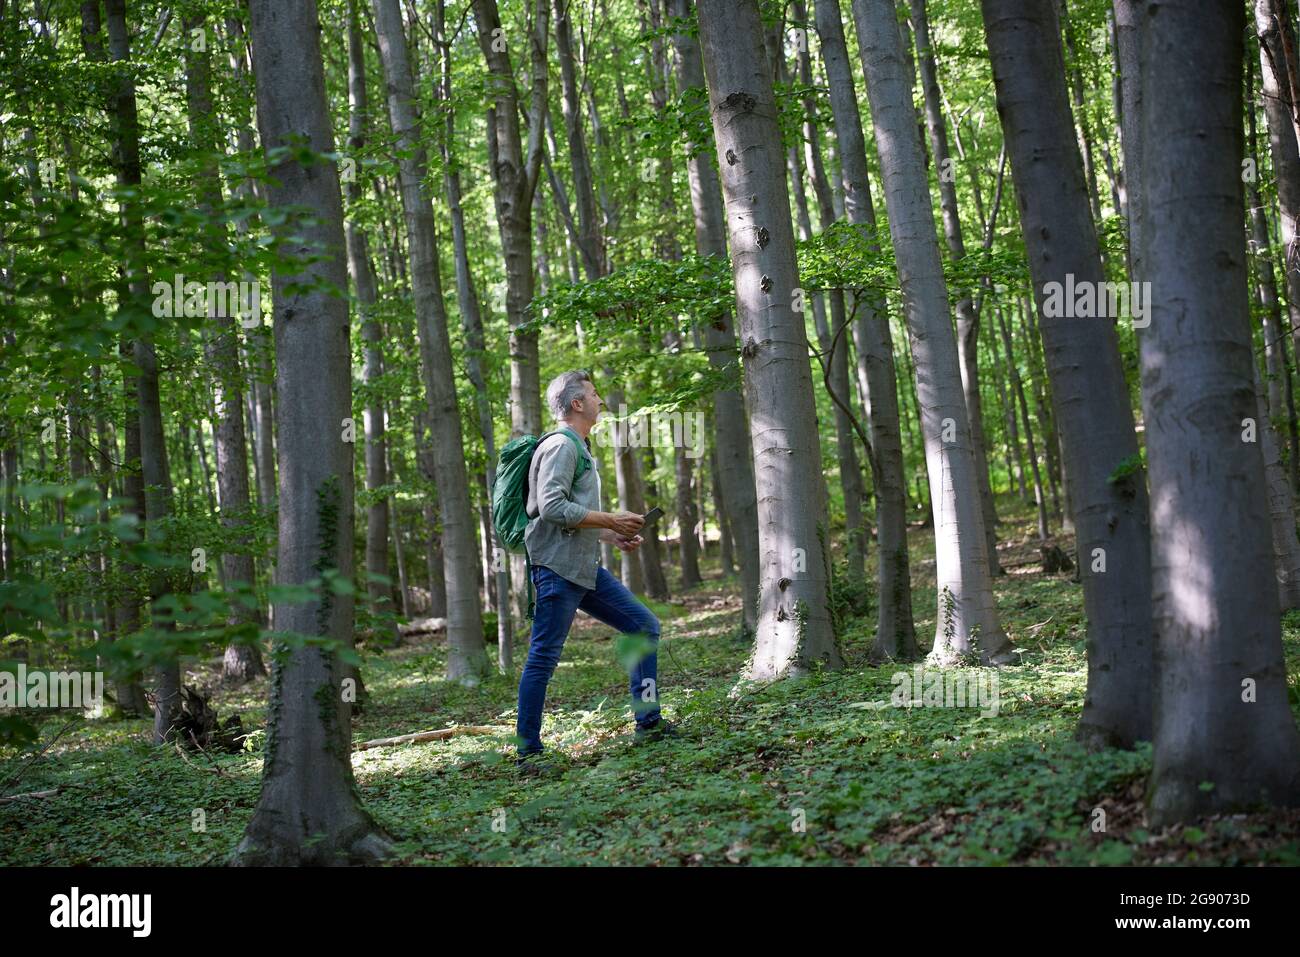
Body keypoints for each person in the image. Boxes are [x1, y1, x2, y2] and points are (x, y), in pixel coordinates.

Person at [516, 370, 678, 771]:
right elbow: (550, 508)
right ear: (576, 404)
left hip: (584, 567)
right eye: (593, 393)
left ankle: (649, 723)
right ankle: (528, 753)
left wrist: (612, 535)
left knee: (644, 626)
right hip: (556, 569)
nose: (600, 399)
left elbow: (573, 517)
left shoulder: (580, 446)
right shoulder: (560, 445)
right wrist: (611, 517)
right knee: (543, 657)